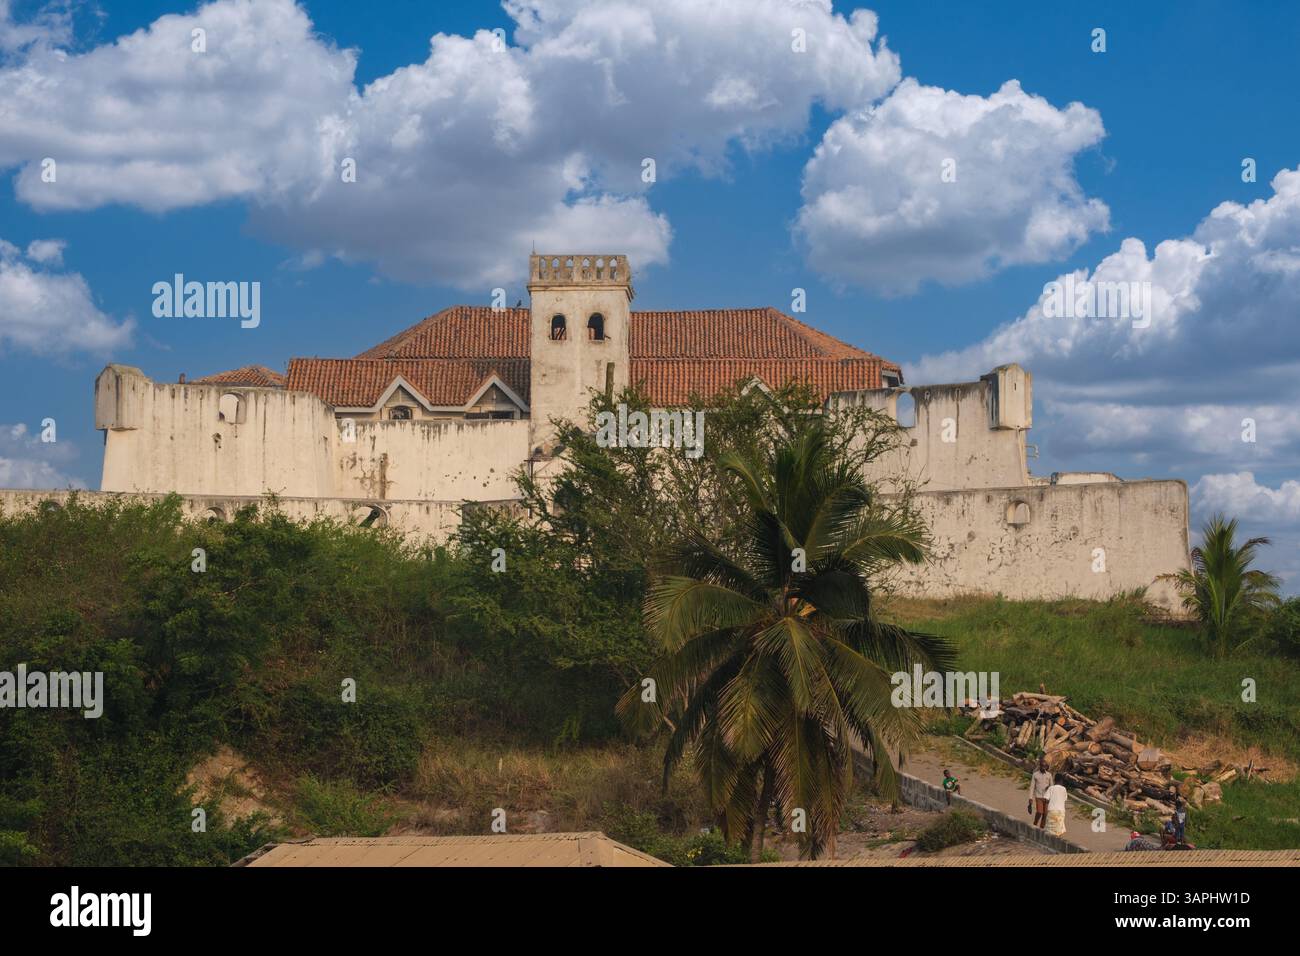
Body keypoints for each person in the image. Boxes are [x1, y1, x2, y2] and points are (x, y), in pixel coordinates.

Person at [1029, 758, 1052, 829]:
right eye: (1042, 766)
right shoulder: (1035, 775)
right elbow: (1032, 787)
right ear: (1040, 766)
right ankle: (1035, 823)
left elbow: (1052, 786)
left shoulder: (1049, 775)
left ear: (1046, 767)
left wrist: (1049, 788)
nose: (1043, 767)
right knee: (1039, 812)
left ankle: (1042, 828)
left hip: (1047, 797)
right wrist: (1030, 798)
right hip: (1038, 796)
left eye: (1045, 766)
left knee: (1045, 814)